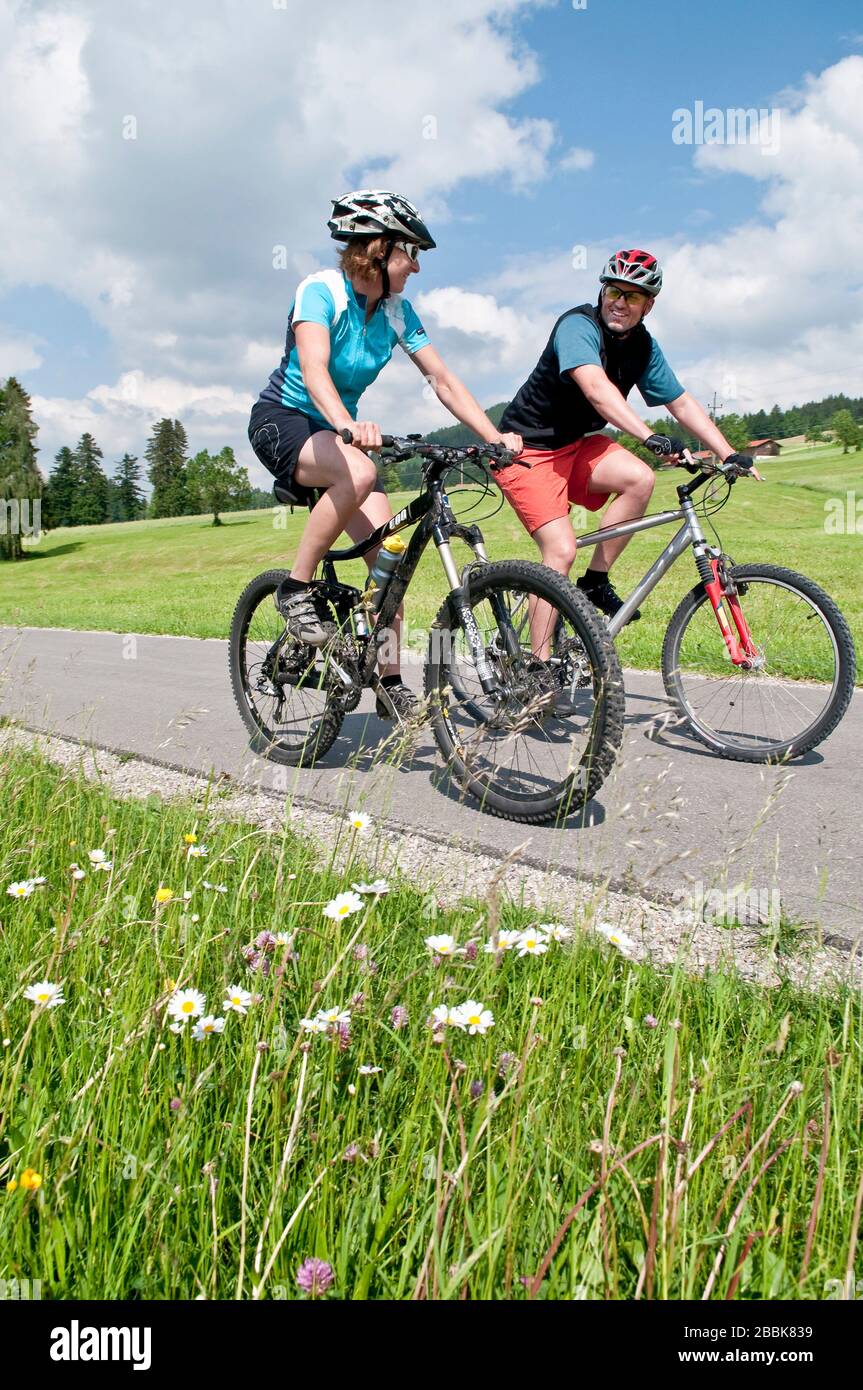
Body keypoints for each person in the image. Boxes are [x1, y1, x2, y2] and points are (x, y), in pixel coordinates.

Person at [248, 189, 522, 720]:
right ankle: (295, 590)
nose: (416, 267)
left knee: (390, 559)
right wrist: (348, 425)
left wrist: (493, 437)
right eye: (409, 253)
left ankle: (387, 680)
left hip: (338, 436)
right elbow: (314, 371)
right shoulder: (320, 291)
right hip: (283, 422)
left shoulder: (396, 311)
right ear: (376, 249)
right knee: (360, 468)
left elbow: (441, 378)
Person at [497, 248, 753, 655]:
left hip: (576, 444)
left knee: (640, 478)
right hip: (526, 450)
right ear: (602, 292)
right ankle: (537, 668)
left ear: (649, 305)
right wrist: (649, 436)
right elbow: (597, 390)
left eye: (633, 296)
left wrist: (727, 453)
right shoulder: (577, 327)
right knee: (560, 551)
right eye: (614, 291)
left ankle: (595, 580)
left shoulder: (642, 347)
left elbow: (681, 402)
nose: (620, 302)